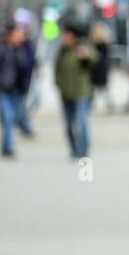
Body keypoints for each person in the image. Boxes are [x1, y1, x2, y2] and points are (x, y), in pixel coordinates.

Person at [0, 22, 27, 158]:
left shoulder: (21, 50)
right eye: (17, 33)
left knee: (11, 118)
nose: (20, 36)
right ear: (10, 35)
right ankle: (8, 147)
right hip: (3, 90)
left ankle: (5, 145)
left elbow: (26, 66)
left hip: (17, 90)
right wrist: (1, 81)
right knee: (8, 117)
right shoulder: (0, 49)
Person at [55, 24, 98, 159]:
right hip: (65, 92)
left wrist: (85, 56)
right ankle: (74, 148)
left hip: (80, 92)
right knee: (68, 123)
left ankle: (84, 149)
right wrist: (58, 83)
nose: (63, 38)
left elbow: (94, 57)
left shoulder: (82, 46)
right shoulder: (63, 50)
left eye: (65, 35)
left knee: (81, 120)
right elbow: (57, 68)